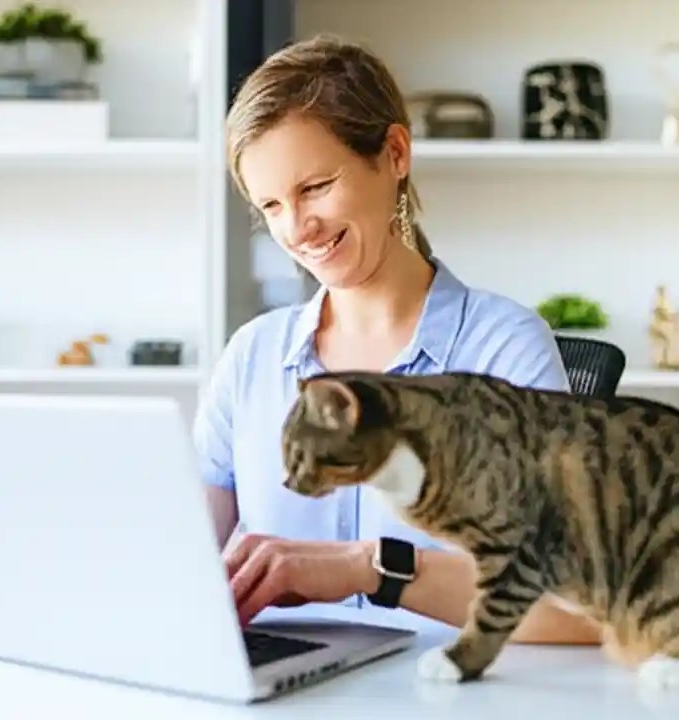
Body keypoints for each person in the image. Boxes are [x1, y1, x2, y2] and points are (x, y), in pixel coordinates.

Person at [192, 34, 601, 645]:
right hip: (280, 688)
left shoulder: (504, 349)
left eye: (315, 187)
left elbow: (583, 609)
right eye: (271, 205)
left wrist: (371, 568)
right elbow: (184, 573)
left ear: (395, 154)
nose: (297, 229)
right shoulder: (252, 356)